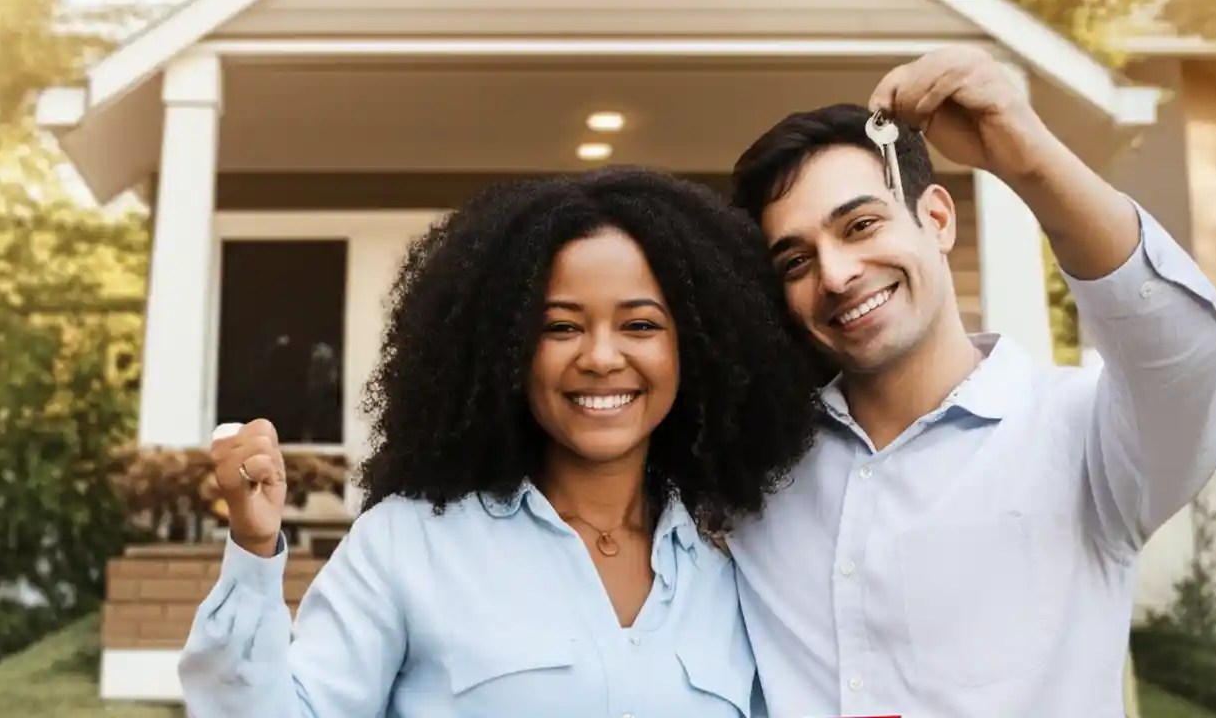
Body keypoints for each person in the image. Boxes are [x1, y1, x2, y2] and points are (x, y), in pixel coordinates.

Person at [177, 168, 824, 717]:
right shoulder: (409, 543)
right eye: (561, 326)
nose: (602, 357)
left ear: (700, 349)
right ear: (505, 351)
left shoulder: (732, 567)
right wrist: (255, 549)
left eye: (640, 324)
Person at [726, 46, 1216, 717]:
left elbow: (1187, 354)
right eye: (795, 261)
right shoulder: (753, 470)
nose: (835, 273)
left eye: (860, 225)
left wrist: (1027, 159)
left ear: (937, 219)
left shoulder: (1083, 439)